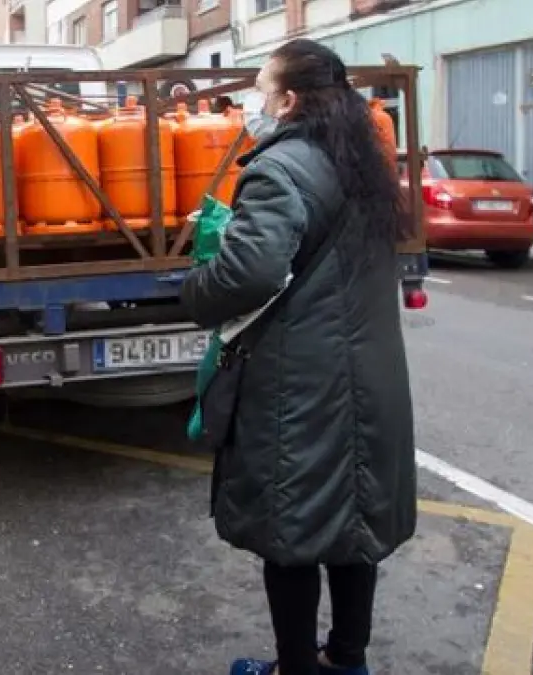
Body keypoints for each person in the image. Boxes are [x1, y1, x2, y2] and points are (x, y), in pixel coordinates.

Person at [178, 39, 416, 675]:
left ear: (287, 100)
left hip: (299, 386)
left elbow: (250, 273)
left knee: (291, 529)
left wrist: (196, 288)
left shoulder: (279, 168)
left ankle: (296, 668)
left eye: (261, 90)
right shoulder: (365, 162)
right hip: (369, 375)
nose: (255, 102)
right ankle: (346, 661)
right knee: (353, 523)